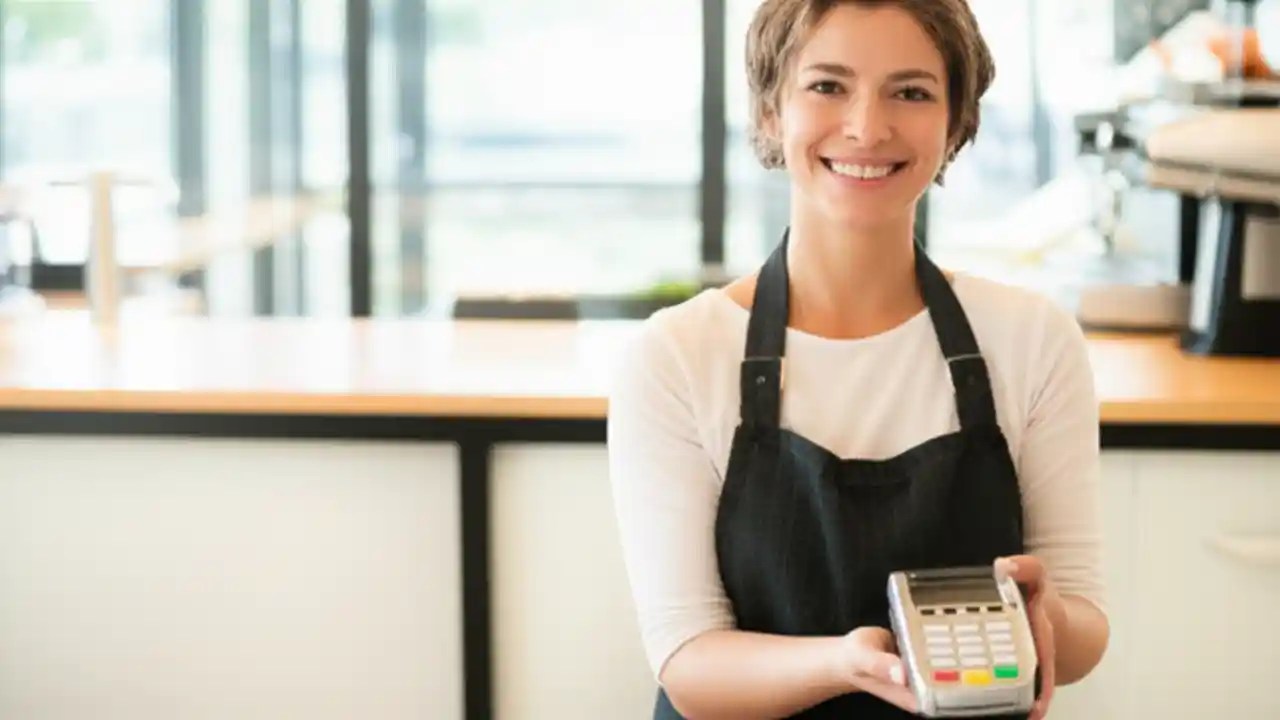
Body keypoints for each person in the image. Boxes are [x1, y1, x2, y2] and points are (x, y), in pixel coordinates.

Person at [605, 1, 1111, 718]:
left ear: (957, 122)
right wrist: (844, 664)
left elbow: (1085, 631)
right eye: (827, 86)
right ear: (771, 111)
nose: (868, 128)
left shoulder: (1034, 340)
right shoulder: (676, 357)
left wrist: (1042, 613)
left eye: (911, 92)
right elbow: (690, 663)